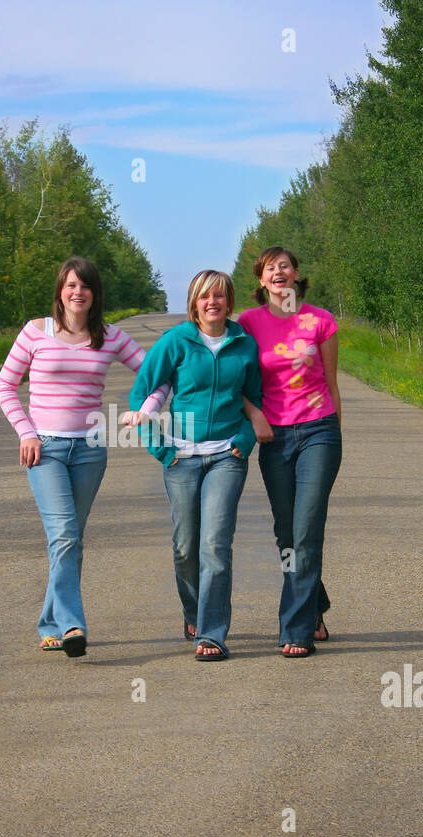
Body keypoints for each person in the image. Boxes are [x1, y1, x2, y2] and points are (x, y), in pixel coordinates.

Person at [0, 256, 167, 658]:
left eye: (85, 286)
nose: (78, 292)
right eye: (71, 285)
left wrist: (148, 409)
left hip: (90, 452)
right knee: (65, 536)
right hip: (45, 449)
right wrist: (26, 431)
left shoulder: (109, 337)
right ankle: (73, 625)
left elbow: (157, 377)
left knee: (70, 540)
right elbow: (5, 386)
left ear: (95, 295)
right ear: (60, 290)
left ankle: (49, 623)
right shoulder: (36, 332)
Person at [124, 270, 266, 662]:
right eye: (205, 296)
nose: (212, 303)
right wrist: (162, 451)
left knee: (215, 544)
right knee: (186, 546)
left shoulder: (244, 345)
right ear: (194, 302)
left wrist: (244, 442)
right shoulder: (176, 342)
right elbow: (141, 396)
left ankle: (212, 633)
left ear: (229, 301)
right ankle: (193, 613)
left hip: (227, 456)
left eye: (219, 296)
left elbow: (255, 398)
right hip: (181, 458)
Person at [236, 246, 342, 659]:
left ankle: (295, 628)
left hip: (319, 431)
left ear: (297, 274)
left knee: (307, 530)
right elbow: (239, 382)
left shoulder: (321, 321)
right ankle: (314, 604)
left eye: (285, 266)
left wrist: (337, 432)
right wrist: (254, 416)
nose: (278, 272)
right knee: (286, 534)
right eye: (269, 268)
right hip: (273, 437)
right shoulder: (247, 324)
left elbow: (332, 382)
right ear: (261, 280)